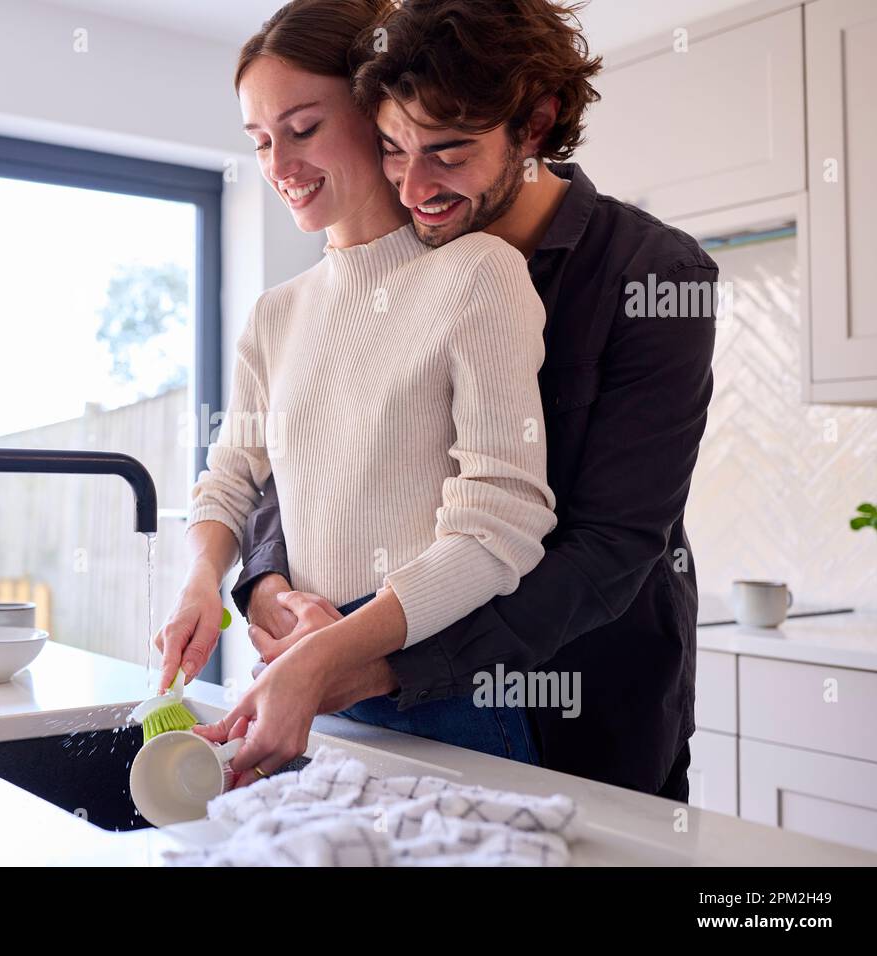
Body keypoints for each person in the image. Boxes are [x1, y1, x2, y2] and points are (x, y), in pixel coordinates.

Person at [201, 0, 718, 800]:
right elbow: (320, 453)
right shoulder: (374, 280)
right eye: (392, 149)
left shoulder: (650, 276)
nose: (414, 187)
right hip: (368, 679)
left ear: (536, 125)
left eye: (448, 153)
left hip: (583, 701)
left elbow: (609, 546)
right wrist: (266, 586)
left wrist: (369, 662)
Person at [155, 0, 559, 775]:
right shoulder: (276, 314)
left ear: (375, 110)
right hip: (302, 681)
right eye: (261, 141)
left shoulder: (479, 275)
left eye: (303, 129)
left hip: (441, 695)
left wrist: (333, 648)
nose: (278, 166)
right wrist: (201, 582)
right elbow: (230, 479)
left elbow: (502, 521)